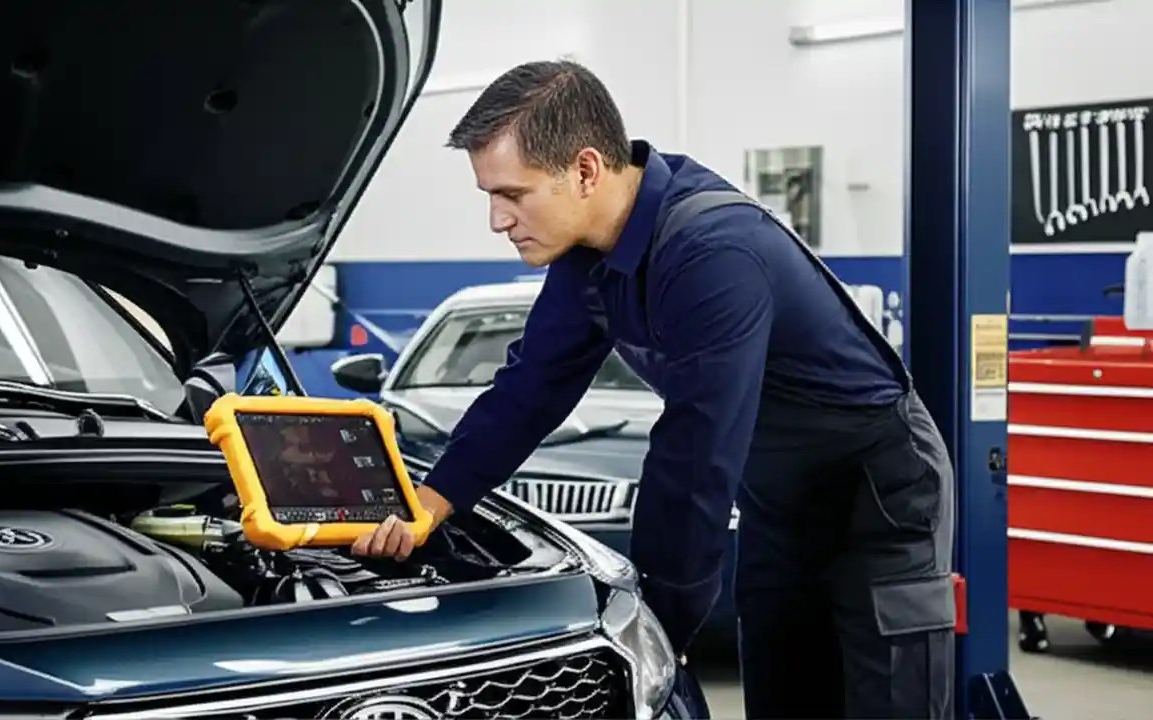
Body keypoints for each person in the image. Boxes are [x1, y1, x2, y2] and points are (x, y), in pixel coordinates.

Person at [350, 59, 956, 719]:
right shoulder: (588, 259)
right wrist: (431, 503)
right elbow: (531, 387)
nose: (498, 219)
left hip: (878, 489)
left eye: (512, 194)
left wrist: (655, 627)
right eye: (488, 196)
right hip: (781, 499)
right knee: (786, 694)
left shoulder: (713, 254)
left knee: (890, 703)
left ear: (584, 170)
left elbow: (694, 458)